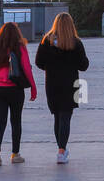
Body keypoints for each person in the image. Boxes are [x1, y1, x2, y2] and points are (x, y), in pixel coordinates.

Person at [0, 22, 37, 165]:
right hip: (15, 89)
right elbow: (27, 69)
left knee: (0, 122)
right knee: (16, 122)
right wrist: (33, 88)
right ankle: (15, 154)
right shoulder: (20, 48)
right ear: (17, 34)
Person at [34, 12, 89, 163]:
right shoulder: (76, 43)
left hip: (52, 83)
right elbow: (84, 65)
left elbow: (38, 62)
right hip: (72, 83)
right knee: (66, 117)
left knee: (57, 117)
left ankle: (61, 149)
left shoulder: (46, 41)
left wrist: (50, 66)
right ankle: (61, 150)